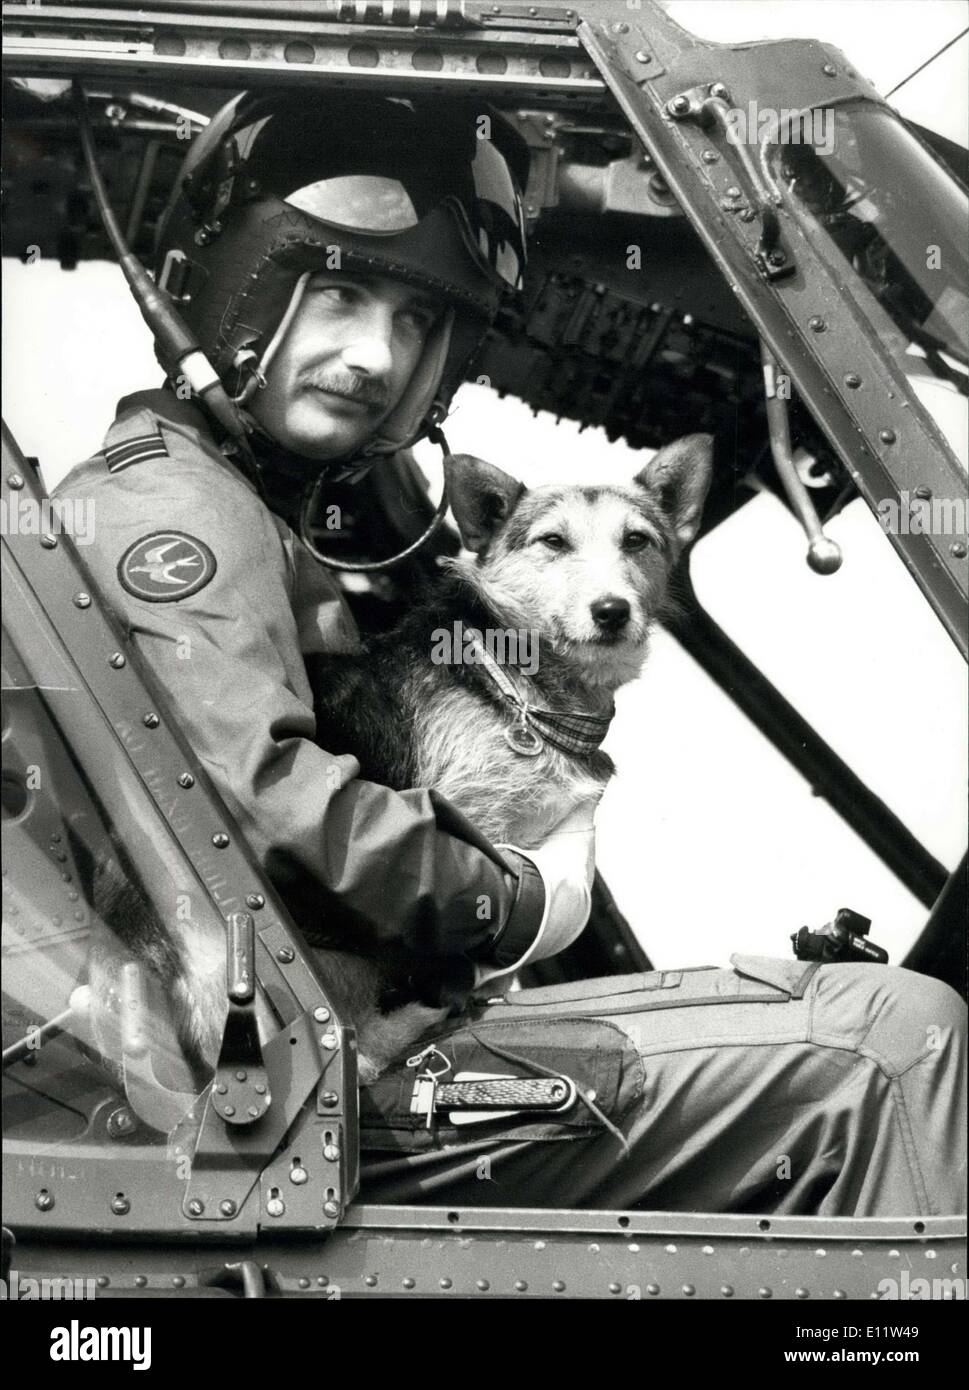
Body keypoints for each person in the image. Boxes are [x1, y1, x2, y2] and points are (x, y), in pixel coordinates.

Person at [56, 91, 966, 1217]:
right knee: (890, 1046)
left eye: (415, 321)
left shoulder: (247, 503)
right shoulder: (180, 511)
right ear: (246, 281)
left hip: (289, 1052)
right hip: (253, 1093)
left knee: (846, 1008)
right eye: (339, 295)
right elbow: (263, 800)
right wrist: (519, 902)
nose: (374, 356)